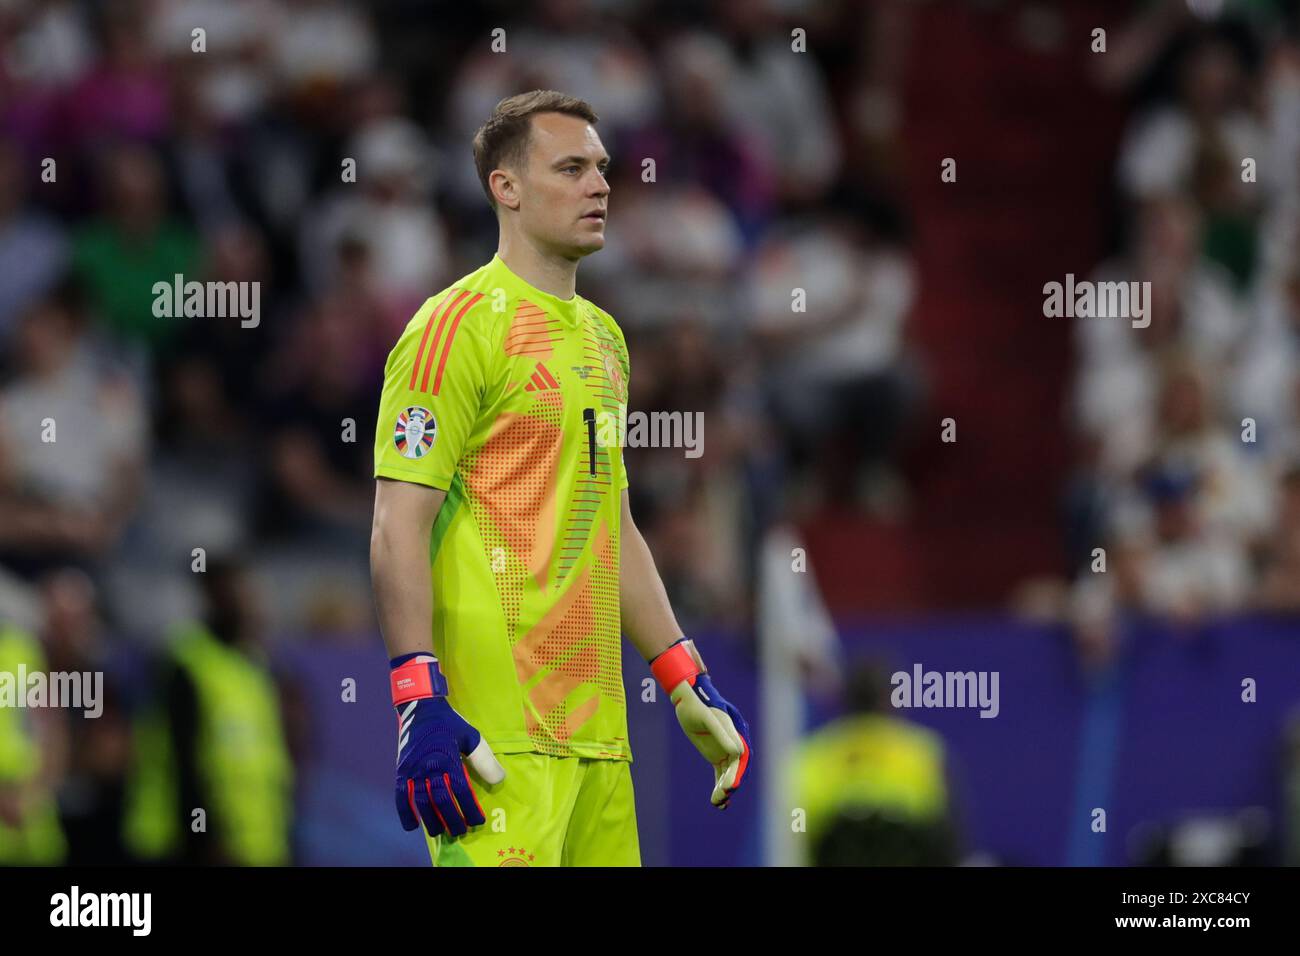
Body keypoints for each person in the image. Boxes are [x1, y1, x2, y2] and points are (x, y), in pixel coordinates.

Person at [370, 90, 752, 867]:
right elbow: (395, 523)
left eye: (602, 168)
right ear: (505, 188)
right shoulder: (456, 327)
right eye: (572, 168)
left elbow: (611, 520)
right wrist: (417, 697)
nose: (601, 185)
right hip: (500, 740)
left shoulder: (606, 342)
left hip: (601, 741)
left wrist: (682, 674)